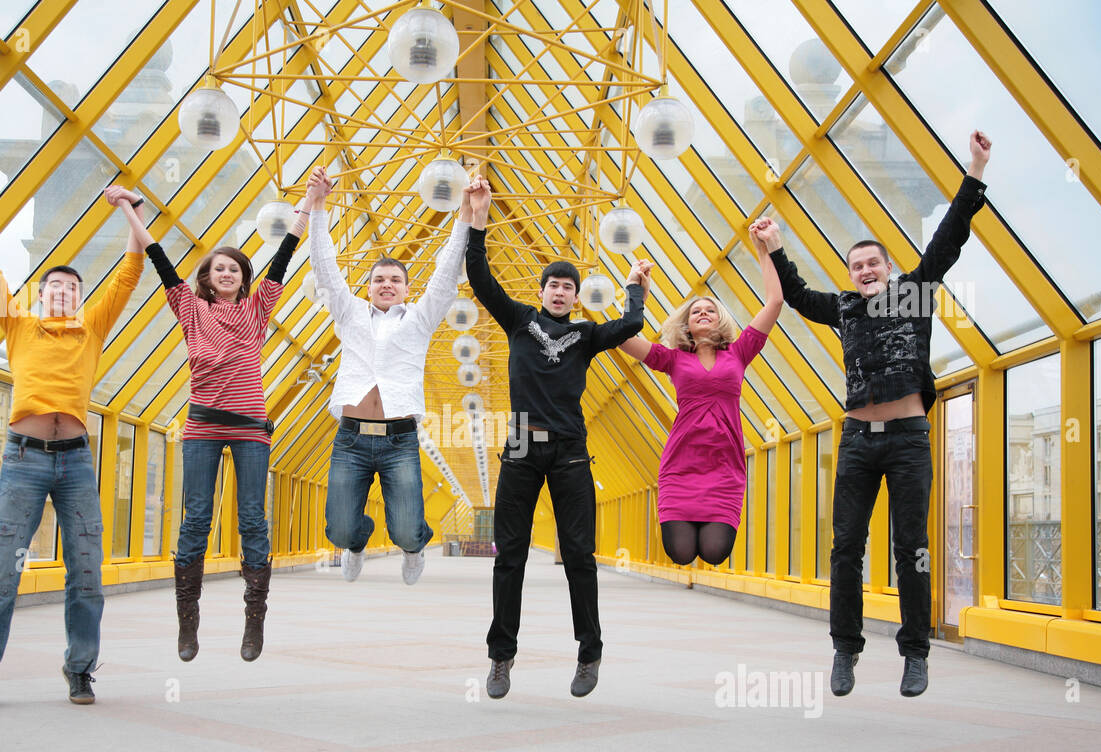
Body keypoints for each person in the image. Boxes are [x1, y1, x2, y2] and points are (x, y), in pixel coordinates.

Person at [760, 130, 992, 698]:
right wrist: (773, 244)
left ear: (889, 268)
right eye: (856, 266)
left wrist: (976, 169)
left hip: (910, 438)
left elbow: (948, 240)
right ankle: (845, 650)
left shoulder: (914, 292)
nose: (864, 271)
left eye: (872, 263)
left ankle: (915, 654)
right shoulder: (841, 308)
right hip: (860, 440)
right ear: (850, 275)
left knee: (909, 545)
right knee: (846, 547)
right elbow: (795, 294)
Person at [0, 150, 146, 708]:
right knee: (2, 572)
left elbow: (134, 263)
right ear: (38, 295)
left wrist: (129, 208)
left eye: (71, 287)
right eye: (53, 286)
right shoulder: (17, 322)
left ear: (82, 299)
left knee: (87, 572)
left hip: (75, 461)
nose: (62, 291)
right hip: (23, 459)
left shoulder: (92, 327)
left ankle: (81, 669)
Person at [465, 176, 649, 699]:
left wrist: (637, 285)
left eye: (569, 286)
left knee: (579, 555)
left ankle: (589, 655)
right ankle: (501, 658)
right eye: (554, 285)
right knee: (510, 556)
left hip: (569, 448)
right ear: (542, 291)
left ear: (575, 295)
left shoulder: (587, 336)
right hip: (522, 443)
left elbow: (631, 324)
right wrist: (478, 219)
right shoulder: (519, 321)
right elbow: (480, 279)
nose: (562, 291)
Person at [112, 187, 305, 663]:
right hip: (201, 426)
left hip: (249, 427)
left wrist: (310, 205)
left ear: (244, 280)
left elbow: (284, 254)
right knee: (195, 517)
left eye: (234, 269)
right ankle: (187, 624)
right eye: (219, 267)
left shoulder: (257, 311)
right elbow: (157, 255)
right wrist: (128, 210)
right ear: (206, 276)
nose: (226, 273)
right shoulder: (188, 307)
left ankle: (253, 622)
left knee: (252, 519)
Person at [303, 165, 471, 585]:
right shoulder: (348, 313)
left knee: (406, 530)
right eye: (379, 279)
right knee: (340, 529)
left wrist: (465, 214)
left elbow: (448, 273)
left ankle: (415, 548)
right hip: (352, 436)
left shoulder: (419, 319)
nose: (386, 284)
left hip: (399, 438)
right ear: (368, 285)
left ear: (406, 288)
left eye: (395, 279)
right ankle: (357, 544)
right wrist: (318, 204)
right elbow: (324, 266)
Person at [617, 221, 781, 566]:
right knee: (680, 553)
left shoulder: (739, 352)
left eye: (710, 310)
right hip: (681, 466)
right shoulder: (673, 359)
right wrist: (637, 293)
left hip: (725, 467)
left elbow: (775, 302)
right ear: (686, 324)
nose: (703, 313)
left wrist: (764, 250)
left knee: (714, 552)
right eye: (696, 311)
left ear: (719, 319)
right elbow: (624, 338)